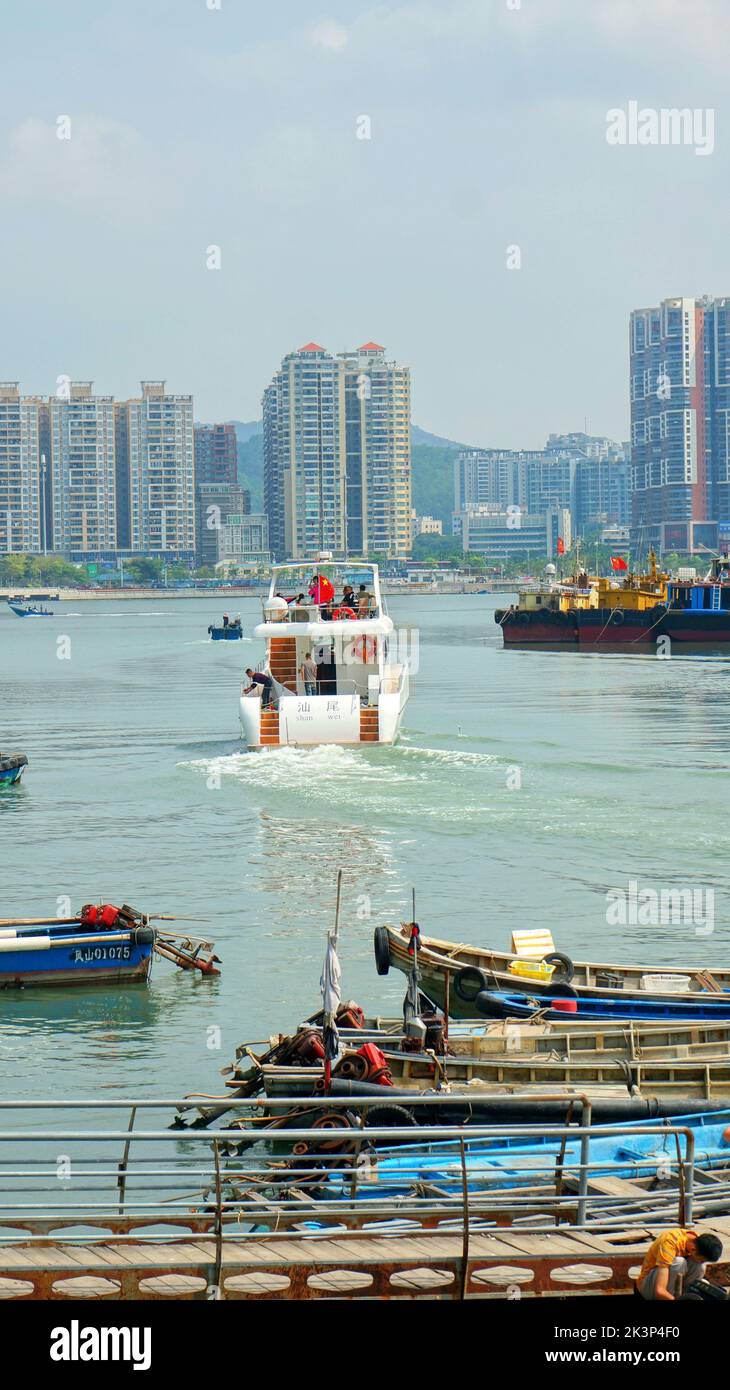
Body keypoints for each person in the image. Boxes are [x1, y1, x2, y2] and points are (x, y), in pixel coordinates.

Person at [636, 1228, 723, 1300]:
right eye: (702, 1259)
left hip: (673, 1288)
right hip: (647, 1288)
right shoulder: (669, 1243)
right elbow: (659, 1291)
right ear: (693, 1250)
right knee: (679, 1262)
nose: (702, 1262)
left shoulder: (697, 1241)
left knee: (700, 1267)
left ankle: (685, 1296)